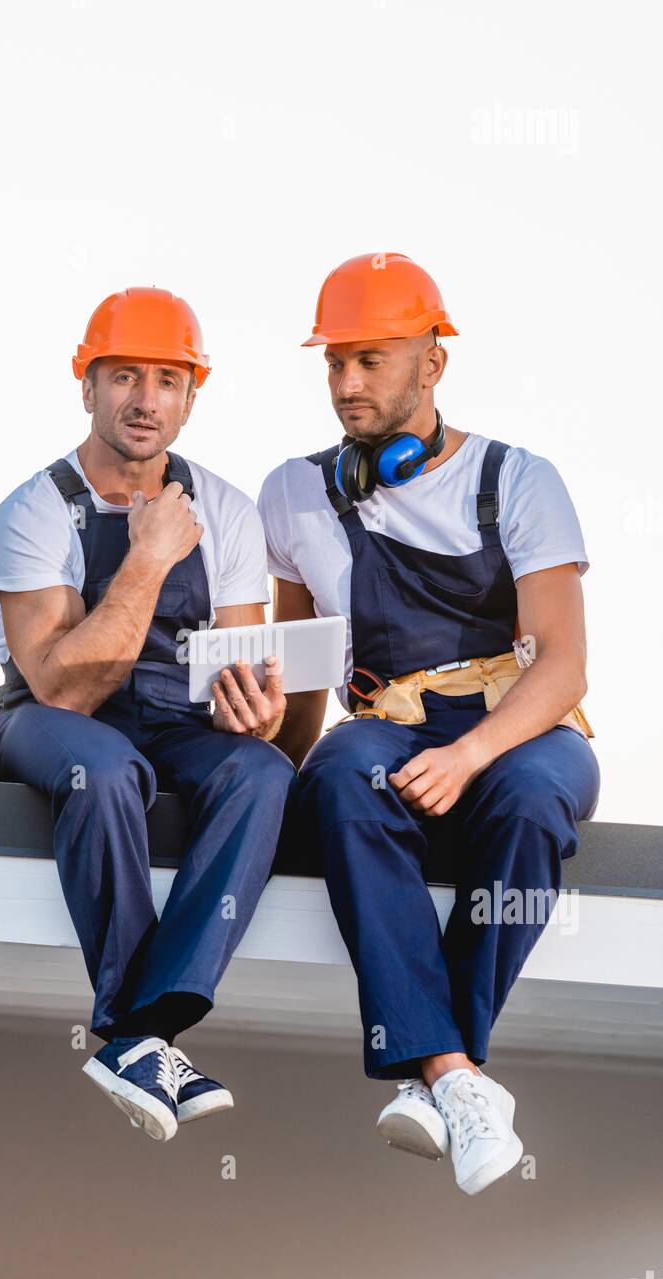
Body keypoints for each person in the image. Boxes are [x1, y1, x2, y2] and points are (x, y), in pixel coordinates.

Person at [257, 253, 600, 1195]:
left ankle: (433, 1071)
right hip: (387, 722)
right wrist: (262, 776)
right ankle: (456, 1077)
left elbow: (562, 663)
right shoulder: (292, 492)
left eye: (370, 360)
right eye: (335, 362)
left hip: (518, 724)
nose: (346, 383)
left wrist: (469, 755)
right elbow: (304, 676)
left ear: (432, 364)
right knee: (337, 774)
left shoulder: (516, 480)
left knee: (529, 805)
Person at [0, 286, 294, 1143]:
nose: (145, 399)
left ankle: (144, 1033)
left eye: (167, 380)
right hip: (44, 720)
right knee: (106, 768)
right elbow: (64, 688)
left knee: (262, 773)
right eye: (123, 376)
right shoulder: (35, 510)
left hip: (174, 717)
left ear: (192, 395)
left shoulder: (226, 511)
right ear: (86, 385)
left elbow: (235, 668)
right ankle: (133, 1029)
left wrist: (252, 713)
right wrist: (149, 556)